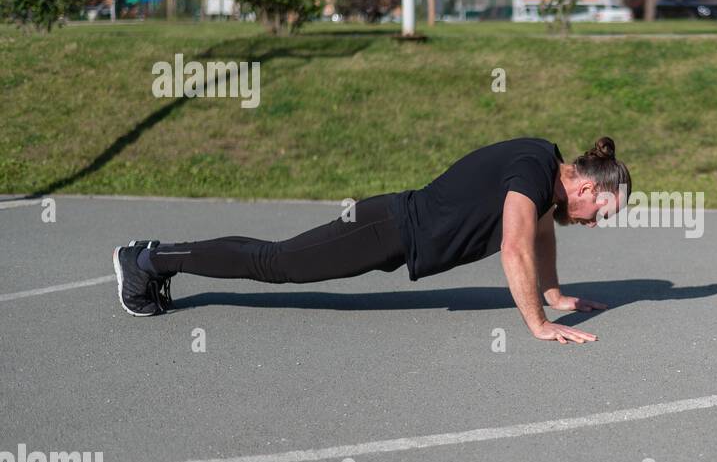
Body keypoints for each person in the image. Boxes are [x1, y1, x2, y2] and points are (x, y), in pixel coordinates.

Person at [112, 136, 630, 344]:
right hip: (384, 228)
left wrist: (555, 294)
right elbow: (515, 246)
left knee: (279, 260)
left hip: (394, 233)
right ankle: (148, 260)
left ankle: (154, 258)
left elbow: (539, 232)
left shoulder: (542, 174)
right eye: (598, 213)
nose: (593, 223)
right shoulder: (532, 171)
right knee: (277, 262)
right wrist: (539, 324)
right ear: (585, 186)